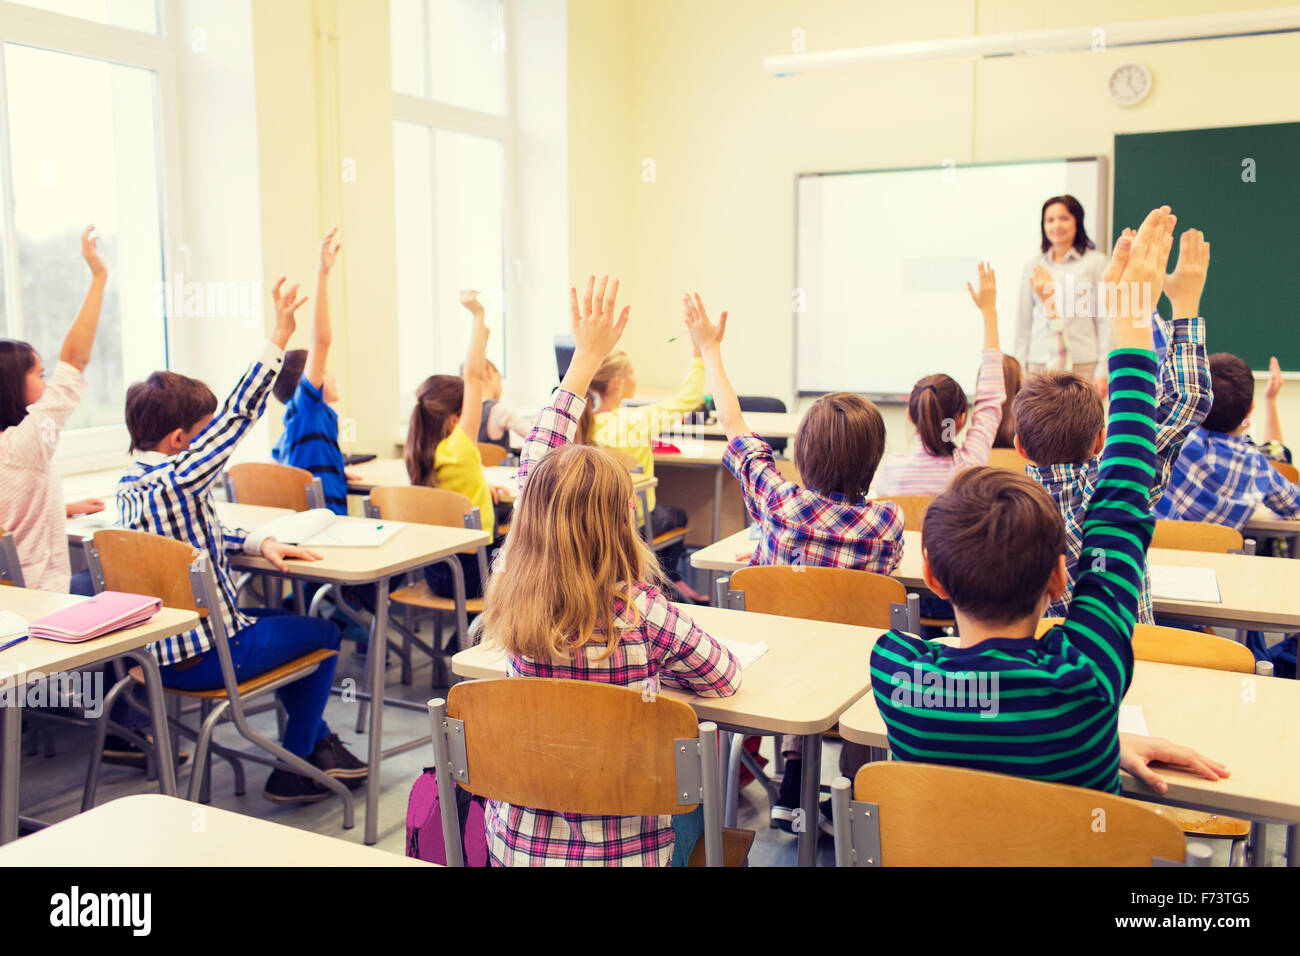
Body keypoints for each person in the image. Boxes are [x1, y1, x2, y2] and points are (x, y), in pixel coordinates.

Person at [480, 275, 740, 865]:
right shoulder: (641, 613)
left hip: (517, 849)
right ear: (623, 521)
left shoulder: (509, 590)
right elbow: (722, 679)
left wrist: (584, 358)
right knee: (695, 774)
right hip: (621, 856)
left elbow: (537, 470)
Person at [118, 276, 367, 803]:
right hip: (210, 654)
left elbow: (192, 536)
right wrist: (279, 332)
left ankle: (313, 743)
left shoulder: (131, 486)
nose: (212, 442)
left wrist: (257, 543)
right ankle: (295, 765)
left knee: (286, 624)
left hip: (153, 658)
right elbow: (239, 414)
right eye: (202, 434)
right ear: (181, 440)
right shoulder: (179, 476)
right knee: (323, 635)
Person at [682, 290, 902, 831]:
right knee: (855, 665)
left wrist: (710, 350)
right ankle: (849, 796)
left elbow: (736, 429)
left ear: (801, 453)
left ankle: (794, 772)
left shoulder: (778, 503)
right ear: (874, 459)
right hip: (856, 674)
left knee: (796, 635)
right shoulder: (887, 523)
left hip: (779, 665)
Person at [1015, 226, 1212, 624]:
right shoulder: (1116, 488)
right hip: (1127, 676)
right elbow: (1186, 399)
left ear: (1018, 445)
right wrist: (1172, 305)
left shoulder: (1001, 512)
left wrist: (1059, 313)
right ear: (1102, 441)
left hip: (1046, 679)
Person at [0, 226, 108, 591]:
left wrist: (60, 508)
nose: (47, 383)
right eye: (39, 374)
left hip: (12, 602)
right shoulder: (24, 443)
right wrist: (99, 277)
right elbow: (75, 360)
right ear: (12, 384)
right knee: (122, 576)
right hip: (42, 597)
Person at [873, 262, 1005, 495]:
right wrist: (989, 312)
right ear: (961, 419)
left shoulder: (891, 472)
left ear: (910, 416)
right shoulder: (967, 469)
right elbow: (990, 399)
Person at [1015, 195, 1109, 392]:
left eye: (1064, 218)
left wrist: (1103, 370)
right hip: (1040, 363)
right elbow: (1023, 323)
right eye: (1050, 220)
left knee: (1082, 422)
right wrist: (1020, 368)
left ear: (1077, 221)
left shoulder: (1096, 262)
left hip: (1083, 362)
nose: (1056, 225)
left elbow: (1104, 320)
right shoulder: (1033, 266)